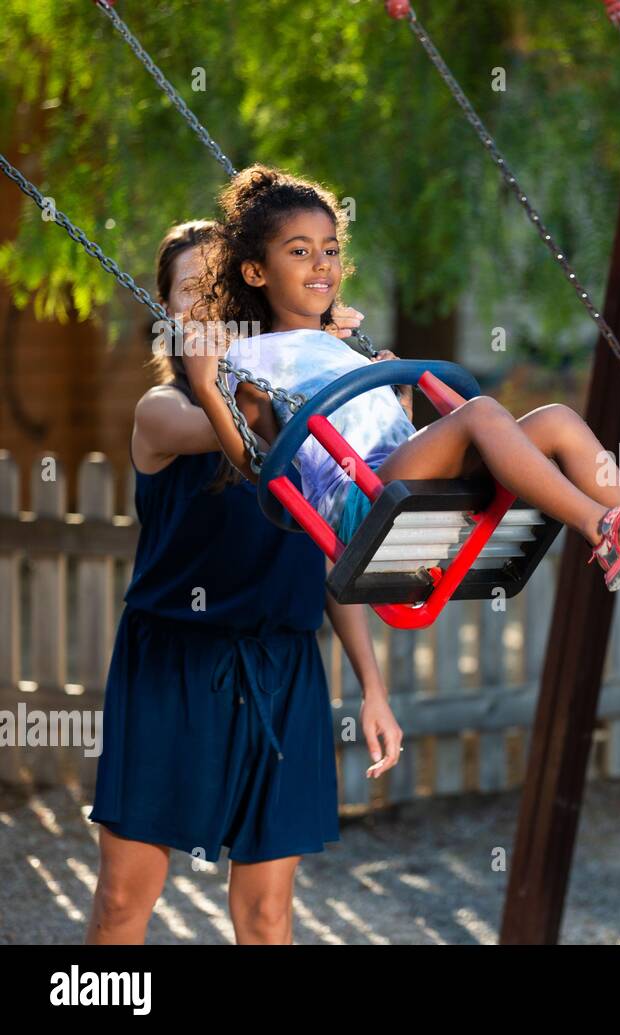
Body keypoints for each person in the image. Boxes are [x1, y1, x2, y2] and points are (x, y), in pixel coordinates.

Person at [185, 164, 620, 614]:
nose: (322, 264)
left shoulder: (344, 345)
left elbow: (395, 436)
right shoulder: (248, 358)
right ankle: (605, 528)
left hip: (403, 479)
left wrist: (397, 398)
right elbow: (262, 466)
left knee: (555, 418)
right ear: (256, 272)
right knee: (480, 413)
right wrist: (209, 390)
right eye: (299, 251)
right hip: (361, 501)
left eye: (330, 249)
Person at [86, 221, 399, 945]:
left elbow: (330, 557)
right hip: (171, 665)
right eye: (187, 292)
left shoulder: (300, 404)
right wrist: (321, 355)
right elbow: (246, 428)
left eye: (216, 288)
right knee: (123, 900)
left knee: (266, 914)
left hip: (282, 665)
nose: (204, 306)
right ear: (164, 311)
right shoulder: (162, 414)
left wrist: (372, 686)